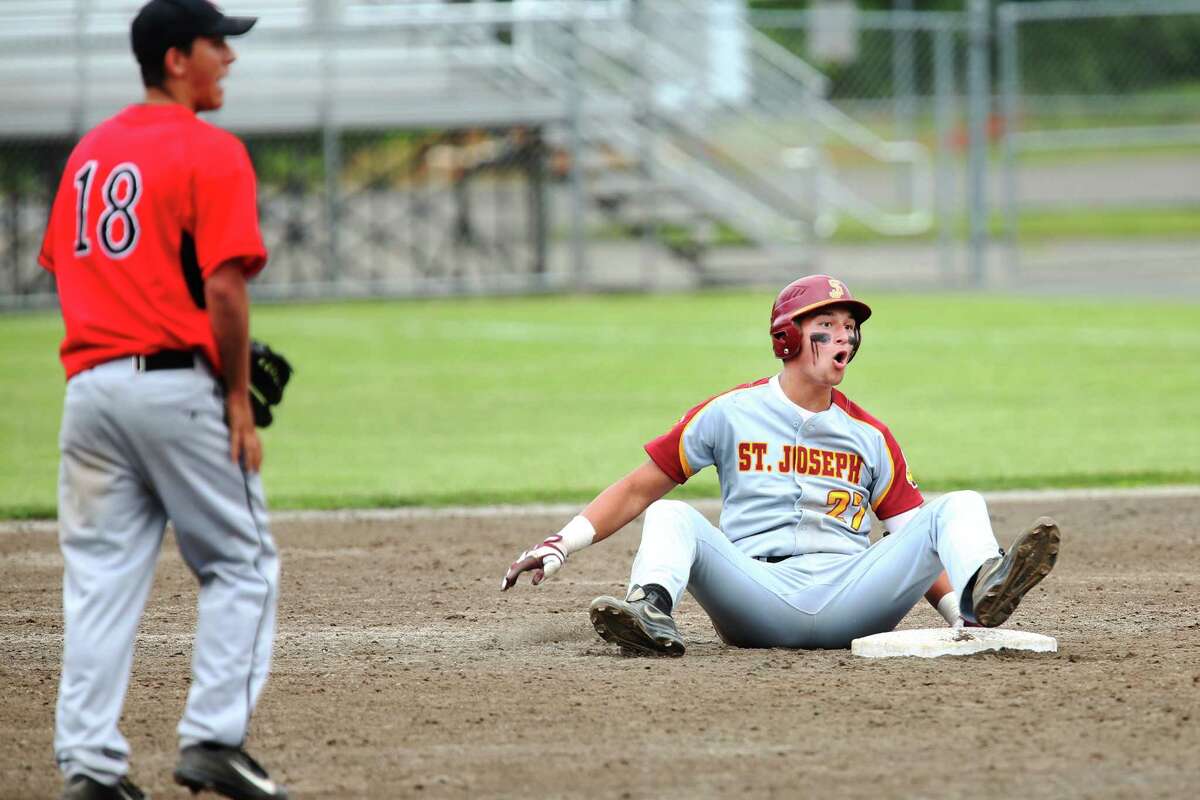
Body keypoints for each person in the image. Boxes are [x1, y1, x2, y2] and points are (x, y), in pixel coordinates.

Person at [501, 274, 1060, 655]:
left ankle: (980, 594)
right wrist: (561, 542)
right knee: (672, 515)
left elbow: (918, 543)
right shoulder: (730, 413)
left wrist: (958, 624)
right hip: (756, 593)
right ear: (787, 336)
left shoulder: (871, 436)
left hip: (852, 595)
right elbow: (637, 488)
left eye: (850, 326)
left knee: (958, 507)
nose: (844, 336)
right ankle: (649, 612)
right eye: (829, 324)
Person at [39, 2, 288, 798]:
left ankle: (88, 765)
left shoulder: (90, 152)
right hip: (177, 389)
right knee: (242, 563)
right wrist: (235, 398)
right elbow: (222, 284)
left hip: (90, 390)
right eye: (219, 44)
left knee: (101, 580)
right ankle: (214, 739)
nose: (230, 59)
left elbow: (76, 270)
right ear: (177, 58)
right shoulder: (208, 150)